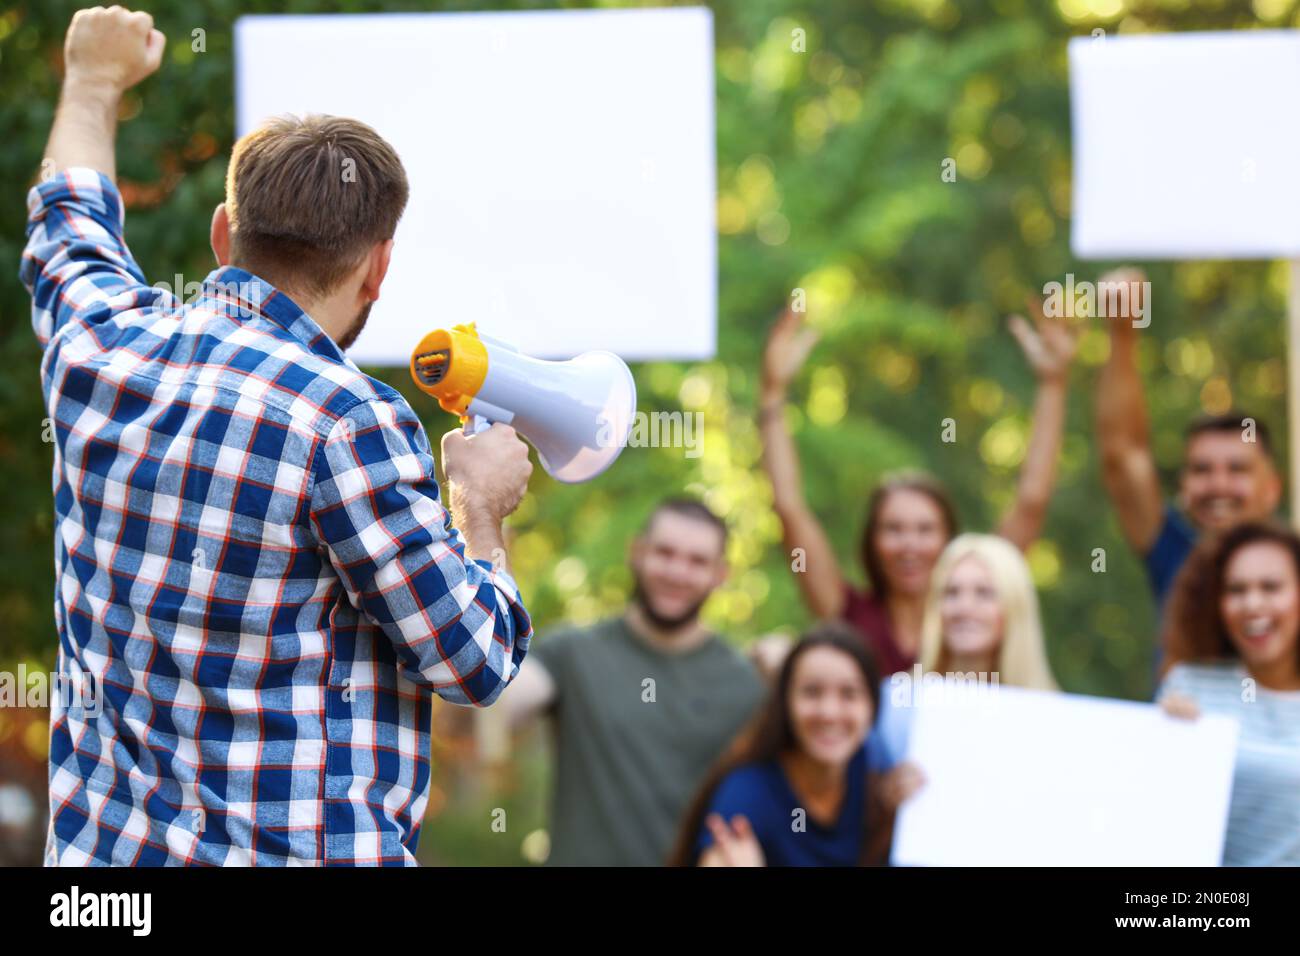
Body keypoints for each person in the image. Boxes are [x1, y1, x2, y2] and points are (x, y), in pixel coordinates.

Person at [23, 8, 533, 865]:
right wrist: (480, 505)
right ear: (379, 266)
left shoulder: (99, 350)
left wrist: (92, 80)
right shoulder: (348, 420)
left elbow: (69, 232)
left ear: (226, 236)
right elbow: (473, 660)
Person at [759, 299, 1076, 674]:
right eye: (893, 529)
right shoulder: (847, 615)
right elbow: (789, 506)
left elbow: (1031, 501)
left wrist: (1053, 385)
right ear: (872, 543)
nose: (909, 544)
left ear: (948, 539)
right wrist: (772, 394)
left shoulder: (972, 608)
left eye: (925, 529)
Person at [497, 499, 764, 866]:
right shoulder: (573, 653)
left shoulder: (746, 685)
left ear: (721, 574)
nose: (677, 572)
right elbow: (493, 705)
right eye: (665, 553)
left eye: (697, 561)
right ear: (636, 553)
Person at [1096, 267, 1282, 609]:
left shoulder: (1293, 570)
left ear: (1272, 488)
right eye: (1201, 470)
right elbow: (1122, 453)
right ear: (1183, 484)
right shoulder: (1174, 557)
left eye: (1238, 469)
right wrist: (1122, 331)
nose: (1218, 485)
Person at [869, 533, 1059, 820]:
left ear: (1013, 608)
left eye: (984, 593)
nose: (963, 608)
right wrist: (884, 799)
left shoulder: (1051, 716)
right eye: (951, 593)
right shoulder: (894, 703)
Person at [668, 623, 882, 867]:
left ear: (873, 705)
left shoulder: (872, 773)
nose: (829, 712)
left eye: (849, 694)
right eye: (812, 692)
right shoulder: (747, 793)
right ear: (785, 702)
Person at [1157, 522, 1300, 866]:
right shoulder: (1189, 687)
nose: (1252, 604)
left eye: (1271, 587)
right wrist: (1164, 737)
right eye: (1236, 590)